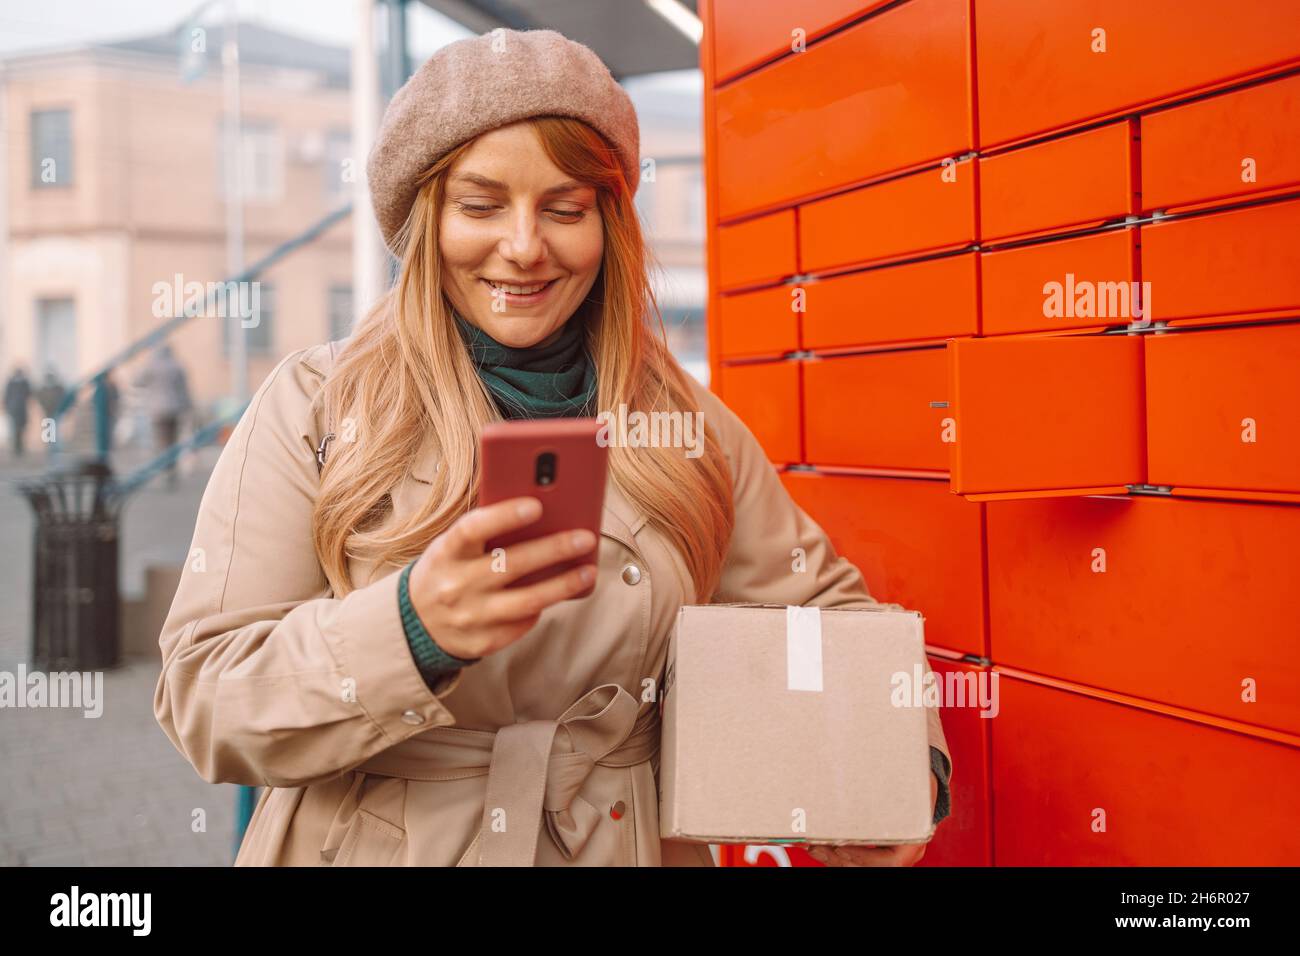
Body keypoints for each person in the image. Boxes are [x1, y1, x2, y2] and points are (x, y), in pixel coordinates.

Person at [154, 28, 952, 868]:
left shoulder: (690, 427)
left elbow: (825, 618)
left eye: (566, 209)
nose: (526, 246)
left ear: (609, 227)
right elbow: (206, 696)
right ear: (426, 219)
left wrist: (893, 768)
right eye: (481, 204)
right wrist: (411, 630)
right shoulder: (317, 404)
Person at [134, 344, 192, 488]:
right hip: (175, 408)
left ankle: (164, 470)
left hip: (157, 410)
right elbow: (184, 389)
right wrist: (188, 406)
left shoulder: (152, 366)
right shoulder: (177, 366)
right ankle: (172, 471)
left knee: (161, 442)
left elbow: (137, 381)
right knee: (173, 441)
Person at [4, 366, 32, 458]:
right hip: (13, 411)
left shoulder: (25, 383)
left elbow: (29, 395)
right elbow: (7, 396)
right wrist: (7, 408)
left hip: (22, 411)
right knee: (15, 430)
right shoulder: (11, 383)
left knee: (21, 430)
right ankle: (16, 449)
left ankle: (20, 448)